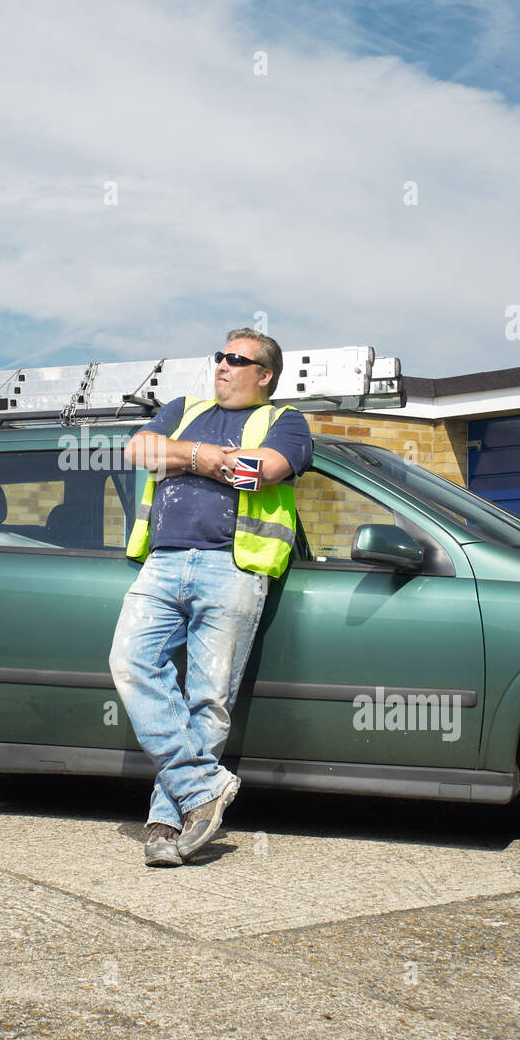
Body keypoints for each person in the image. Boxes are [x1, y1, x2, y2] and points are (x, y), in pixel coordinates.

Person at [109, 329, 313, 866]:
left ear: (263, 374)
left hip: (233, 567)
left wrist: (180, 458)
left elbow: (262, 470)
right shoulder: (182, 408)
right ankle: (203, 788)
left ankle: (165, 822)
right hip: (164, 560)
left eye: (236, 359)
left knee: (208, 699)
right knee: (130, 663)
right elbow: (139, 449)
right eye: (220, 356)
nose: (222, 365)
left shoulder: (284, 421)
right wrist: (207, 455)